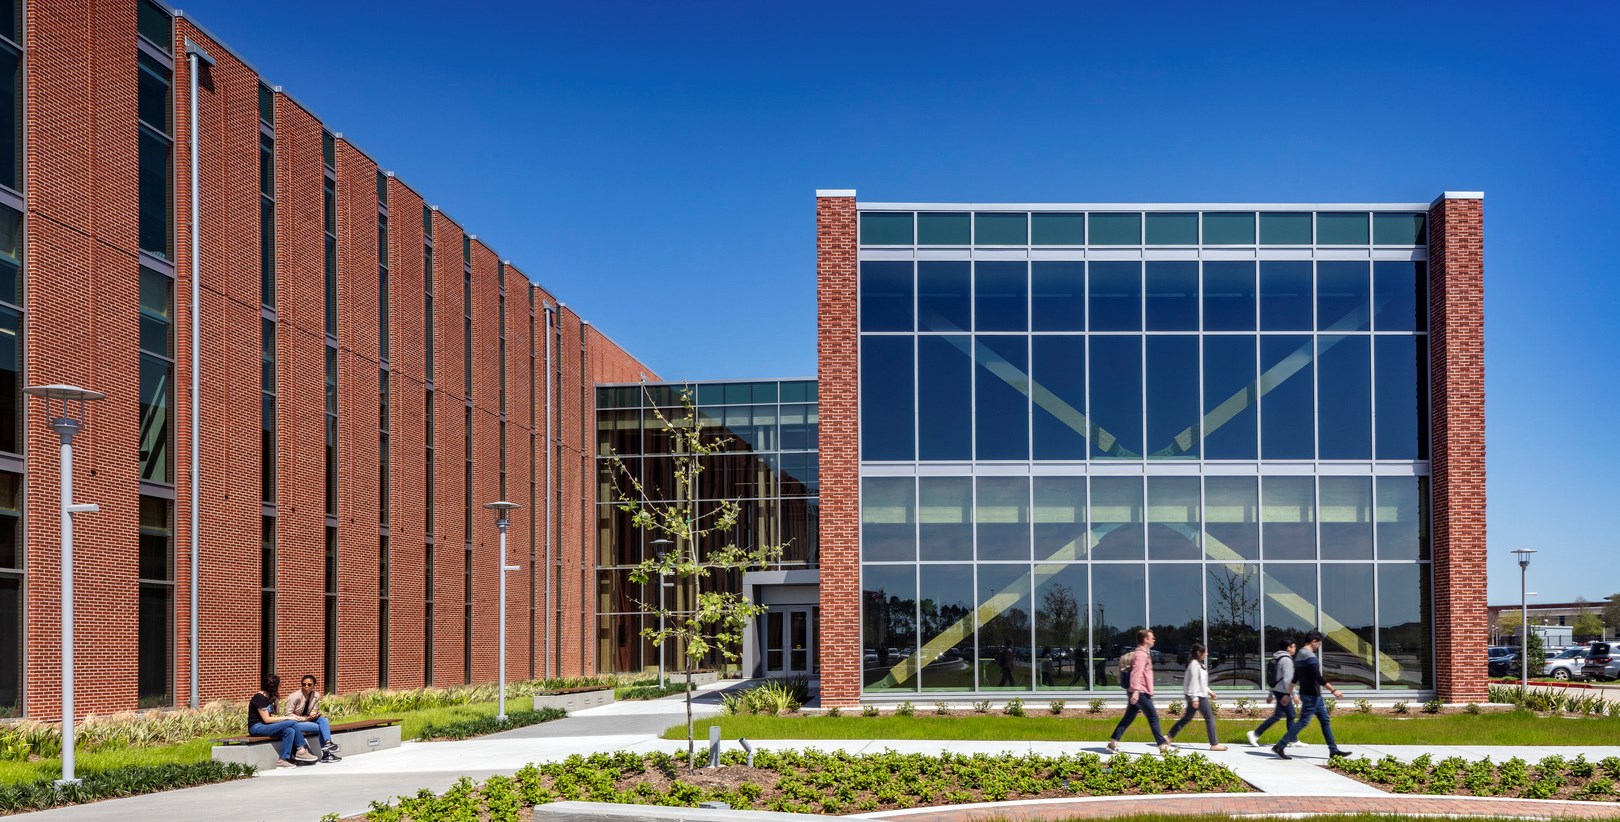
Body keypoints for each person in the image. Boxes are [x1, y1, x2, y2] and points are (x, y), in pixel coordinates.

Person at [1273, 630, 1352, 759]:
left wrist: (1288, 693)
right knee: (1303, 721)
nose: (1319, 646)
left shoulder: (1300, 654)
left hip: (1312, 695)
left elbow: (1295, 677)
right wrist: (1333, 690)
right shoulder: (1309, 655)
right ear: (1314, 641)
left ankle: (1333, 750)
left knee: (1325, 720)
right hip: (1312, 695)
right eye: (1319, 643)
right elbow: (1317, 676)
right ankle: (1280, 745)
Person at [1107, 629, 1171, 754]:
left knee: (1128, 718)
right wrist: (1136, 691)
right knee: (1153, 717)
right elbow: (1136, 673)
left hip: (1137, 691)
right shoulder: (1141, 655)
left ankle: (1113, 743)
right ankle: (1162, 745)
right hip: (1140, 692)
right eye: (1151, 637)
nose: (1154, 639)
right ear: (1145, 640)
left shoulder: (1143, 653)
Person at [1247, 637, 1307, 749]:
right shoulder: (1287, 660)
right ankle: (1255, 734)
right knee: (1285, 715)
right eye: (1293, 646)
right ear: (1288, 647)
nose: (1295, 649)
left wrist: (1271, 693)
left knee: (1287, 715)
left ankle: (1293, 740)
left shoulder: (1277, 657)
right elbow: (1288, 680)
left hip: (1278, 690)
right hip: (1284, 692)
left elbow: (1275, 677)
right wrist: (1294, 694)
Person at [248, 674, 318, 768]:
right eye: (279, 685)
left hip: (265, 726)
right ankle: (301, 750)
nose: (280, 687)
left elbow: (276, 713)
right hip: (256, 727)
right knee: (292, 722)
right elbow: (267, 719)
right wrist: (287, 718)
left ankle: (283, 759)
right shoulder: (259, 698)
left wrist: (276, 700)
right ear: (274, 686)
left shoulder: (268, 697)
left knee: (289, 731)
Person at [1167, 644, 1226, 750]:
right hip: (1198, 695)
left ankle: (1168, 737)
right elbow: (1194, 682)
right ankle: (1214, 744)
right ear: (1199, 653)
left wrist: (1210, 692)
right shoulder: (1194, 664)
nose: (1207, 654)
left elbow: (1201, 682)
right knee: (1209, 718)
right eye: (1205, 652)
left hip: (1196, 694)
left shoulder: (1197, 663)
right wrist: (1195, 699)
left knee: (1187, 718)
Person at [285, 674, 342, 763]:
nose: (306, 686)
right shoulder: (295, 696)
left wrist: (313, 714)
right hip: (295, 722)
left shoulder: (316, 695)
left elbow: (314, 709)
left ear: (314, 685)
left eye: (309, 684)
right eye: (304, 684)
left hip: (307, 719)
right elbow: (288, 714)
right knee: (319, 727)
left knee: (324, 720)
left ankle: (328, 743)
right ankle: (326, 755)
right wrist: (303, 719)